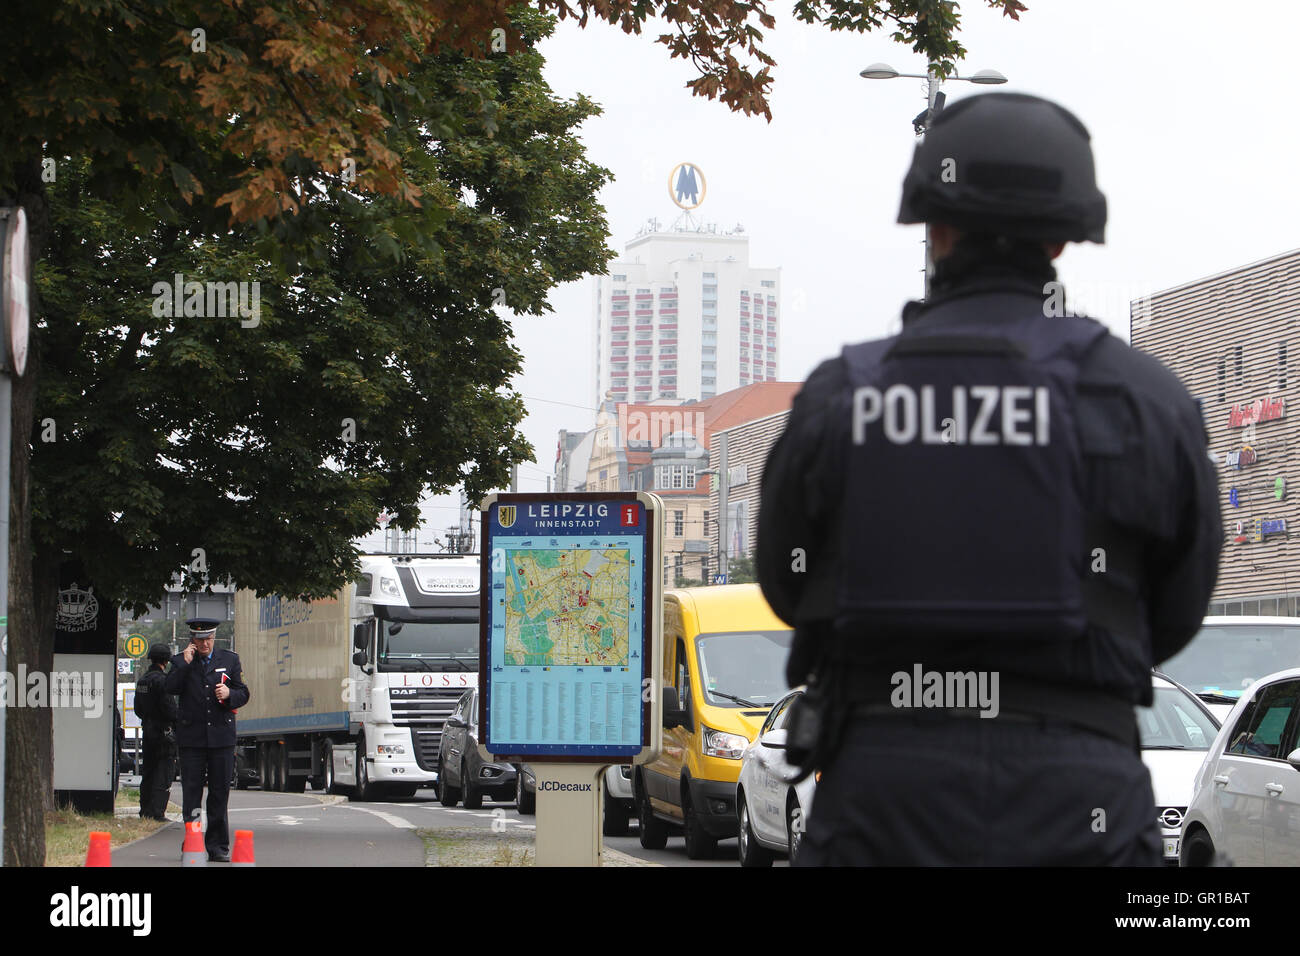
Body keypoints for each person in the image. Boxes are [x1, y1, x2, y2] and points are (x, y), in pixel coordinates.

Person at [757, 92, 1221, 866]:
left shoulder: (843, 397)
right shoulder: (1149, 403)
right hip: (1084, 800)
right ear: (1063, 243)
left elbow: (783, 584)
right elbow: (1176, 612)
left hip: (881, 796)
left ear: (935, 229)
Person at [166, 618, 250, 862]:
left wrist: (229, 694)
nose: (205, 643)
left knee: (219, 794)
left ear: (215, 638)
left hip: (221, 739)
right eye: (200, 639)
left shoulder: (229, 660)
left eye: (209, 639)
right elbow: (170, 687)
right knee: (192, 793)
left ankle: (218, 846)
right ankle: (192, 841)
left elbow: (243, 692)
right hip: (192, 739)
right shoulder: (182, 662)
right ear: (192, 640)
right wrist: (183, 663)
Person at [135, 643, 179, 821]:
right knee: (164, 772)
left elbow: (137, 708)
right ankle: (157, 812)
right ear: (166, 661)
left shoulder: (142, 681)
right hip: (163, 733)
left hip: (148, 730)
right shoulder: (163, 681)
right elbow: (169, 709)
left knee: (148, 771)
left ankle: (145, 810)